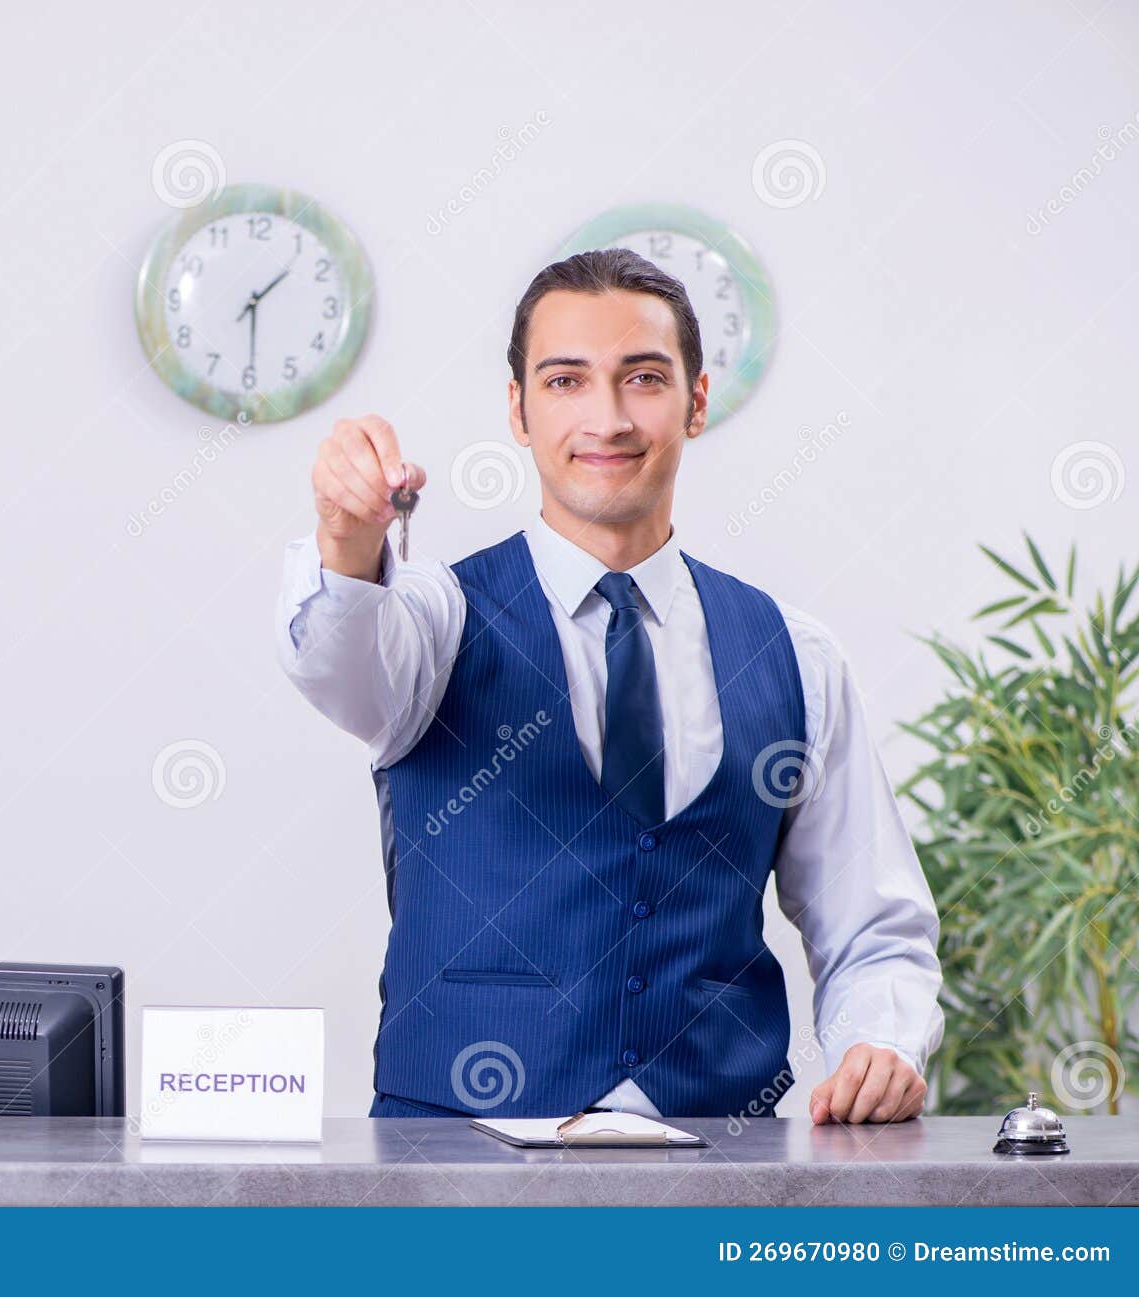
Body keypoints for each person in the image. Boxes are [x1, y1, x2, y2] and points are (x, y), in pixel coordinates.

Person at [274, 248, 943, 1124]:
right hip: (454, 1167)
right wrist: (345, 538)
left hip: (719, 1162)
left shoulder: (795, 654)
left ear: (696, 401)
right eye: (565, 381)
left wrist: (880, 1041)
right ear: (517, 408)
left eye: (644, 378)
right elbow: (337, 659)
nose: (609, 417)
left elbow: (874, 925)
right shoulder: (433, 620)